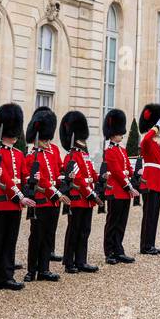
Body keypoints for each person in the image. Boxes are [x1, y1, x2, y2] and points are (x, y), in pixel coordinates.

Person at [0, 104, 35, 291]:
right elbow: (3, 178)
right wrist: (19, 195)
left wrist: (30, 181)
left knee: (11, 241)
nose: (14, 137)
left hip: (15, 205)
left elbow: (23, 175)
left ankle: (8, 275)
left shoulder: (19, 154)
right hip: (2, 203)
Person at [21, 106, 64, 282]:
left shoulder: (53, 151)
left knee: (49, 235)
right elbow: (39, 179)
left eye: (48, 139)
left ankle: (44, 268)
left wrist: (63, 178)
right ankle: (32, 269)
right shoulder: (31, 157)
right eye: (44, 139)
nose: (47, 142)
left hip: (54, 201)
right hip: (40, 200)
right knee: (36, 236)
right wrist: (52, 190)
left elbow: (58, 169)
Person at [59, 111, 100, 273]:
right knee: (74, 230)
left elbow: (91, 174)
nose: (84, 141)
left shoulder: (85, 156)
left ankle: (81, 260)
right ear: (76, 139)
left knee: (85, 230)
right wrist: (90, 192)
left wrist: (98, 178)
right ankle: (69, 262)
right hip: (78, 198)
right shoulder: (71, 157)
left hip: (87, 198)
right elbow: (79, 179)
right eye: (82, 138)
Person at [101, 109, 138, 264]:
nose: (121, 135)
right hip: (116, 191)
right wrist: (129, 186)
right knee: (113, 222)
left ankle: (119, 249)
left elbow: (128, 168)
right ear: (113, 133)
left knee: (122, 222)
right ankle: (109, 251)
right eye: (119, 133)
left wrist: (129, 175)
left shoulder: (122, 150)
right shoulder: (109, 151)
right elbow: (116, 171)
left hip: (124, 192)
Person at [136, 102, 160, 255]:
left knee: (154, 215)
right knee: (149, 215)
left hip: (157, 182)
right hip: (150, 182)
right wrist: (155, 127)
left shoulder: (156, 144)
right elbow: (145, 140)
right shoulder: (147, 141)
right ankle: (145, 246)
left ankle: (150, 243)